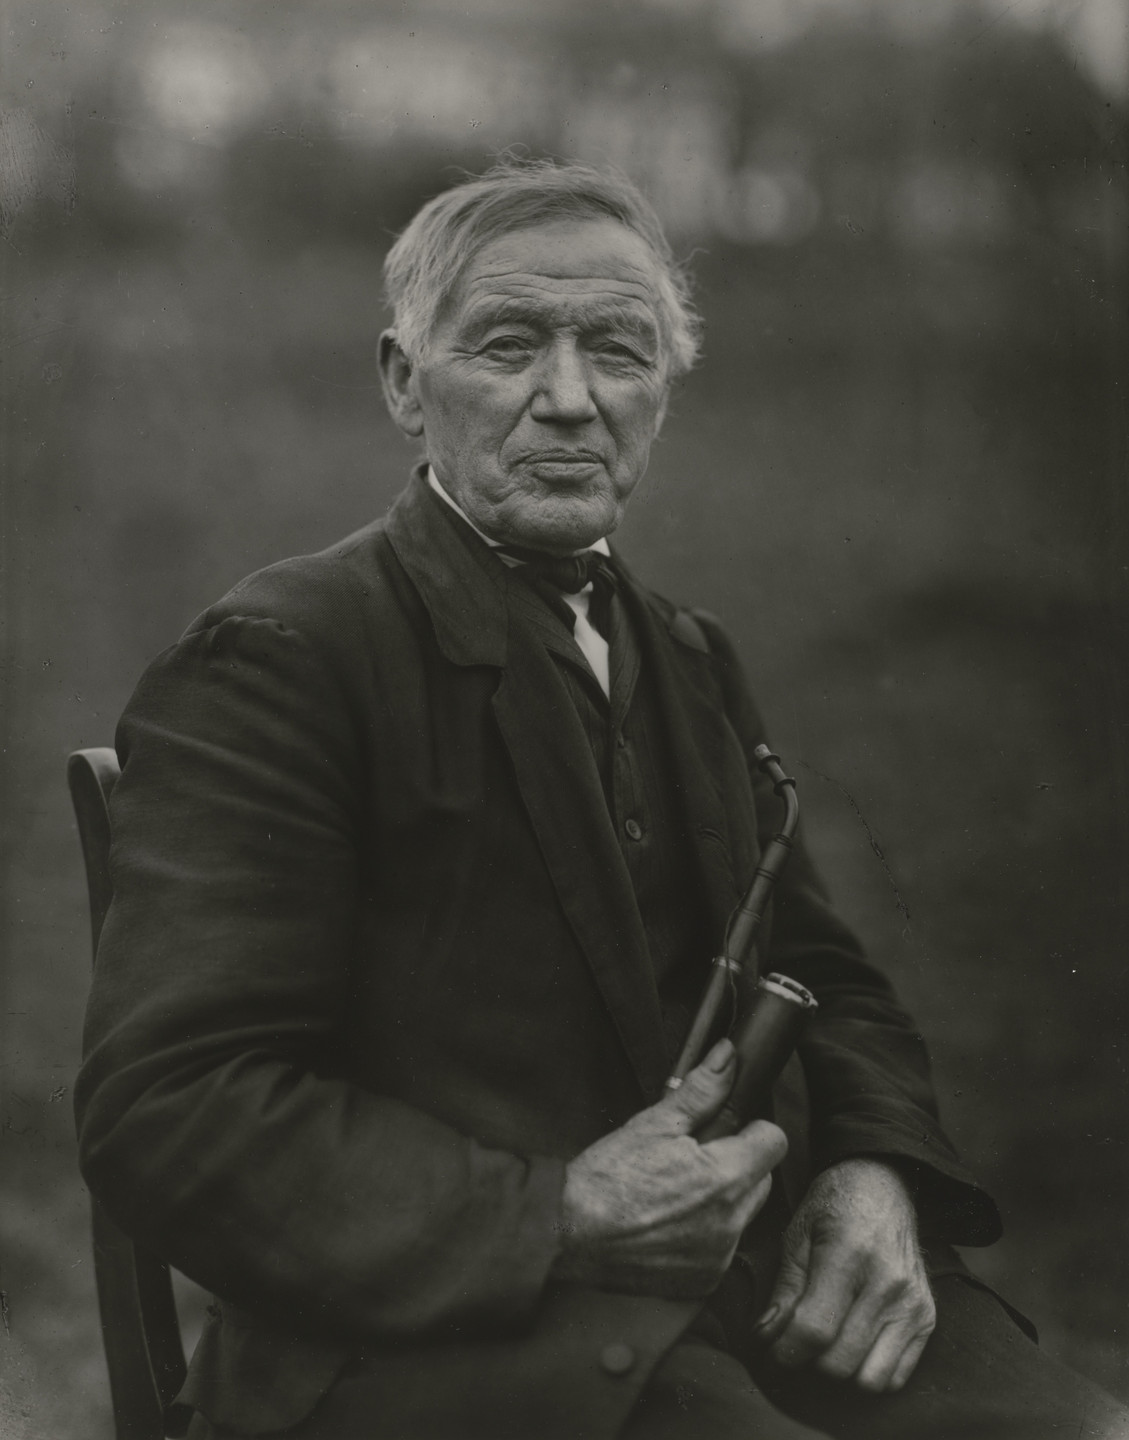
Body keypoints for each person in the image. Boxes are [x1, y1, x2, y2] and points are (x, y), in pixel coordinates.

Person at [75, 159, 1128, 1440]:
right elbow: (171, 1107)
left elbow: (824, 978)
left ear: (663, 395)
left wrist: (873, 1171)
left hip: (745, 1300)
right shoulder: (282, 659)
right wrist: (562, 1209)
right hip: (440, 1350)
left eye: (618, 354)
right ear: (405, 384)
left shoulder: (688, 658)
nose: (568, 401)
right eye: (509, 346)